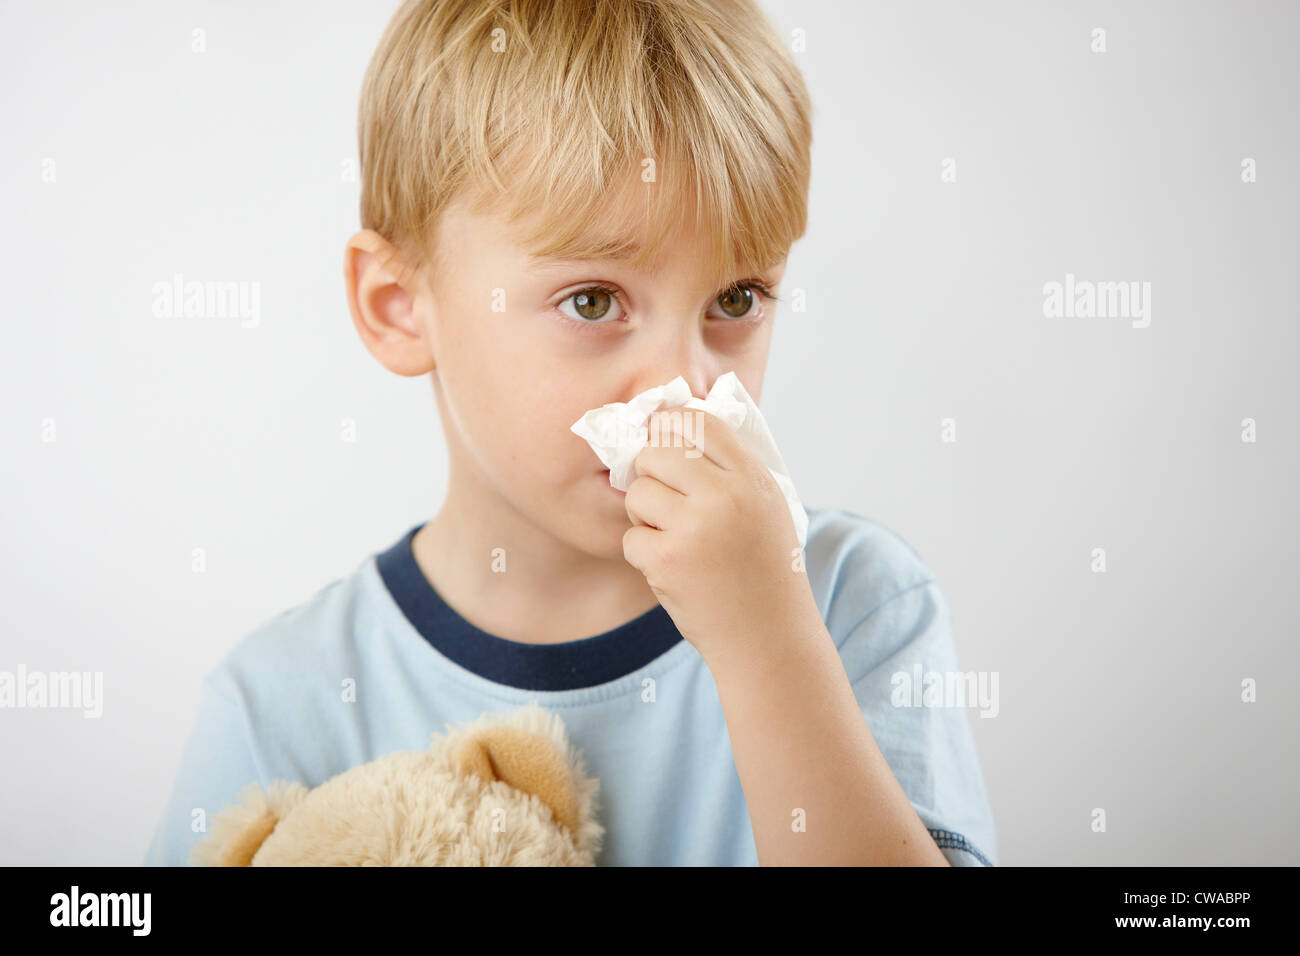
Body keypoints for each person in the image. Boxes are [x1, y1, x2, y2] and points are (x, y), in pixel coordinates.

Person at [145, 0, 996, 866]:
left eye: (735, 300)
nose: (682, 391)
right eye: (592, 301)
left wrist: (768, 643)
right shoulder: (280, 706)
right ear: (400, 308)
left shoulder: (854, 606)